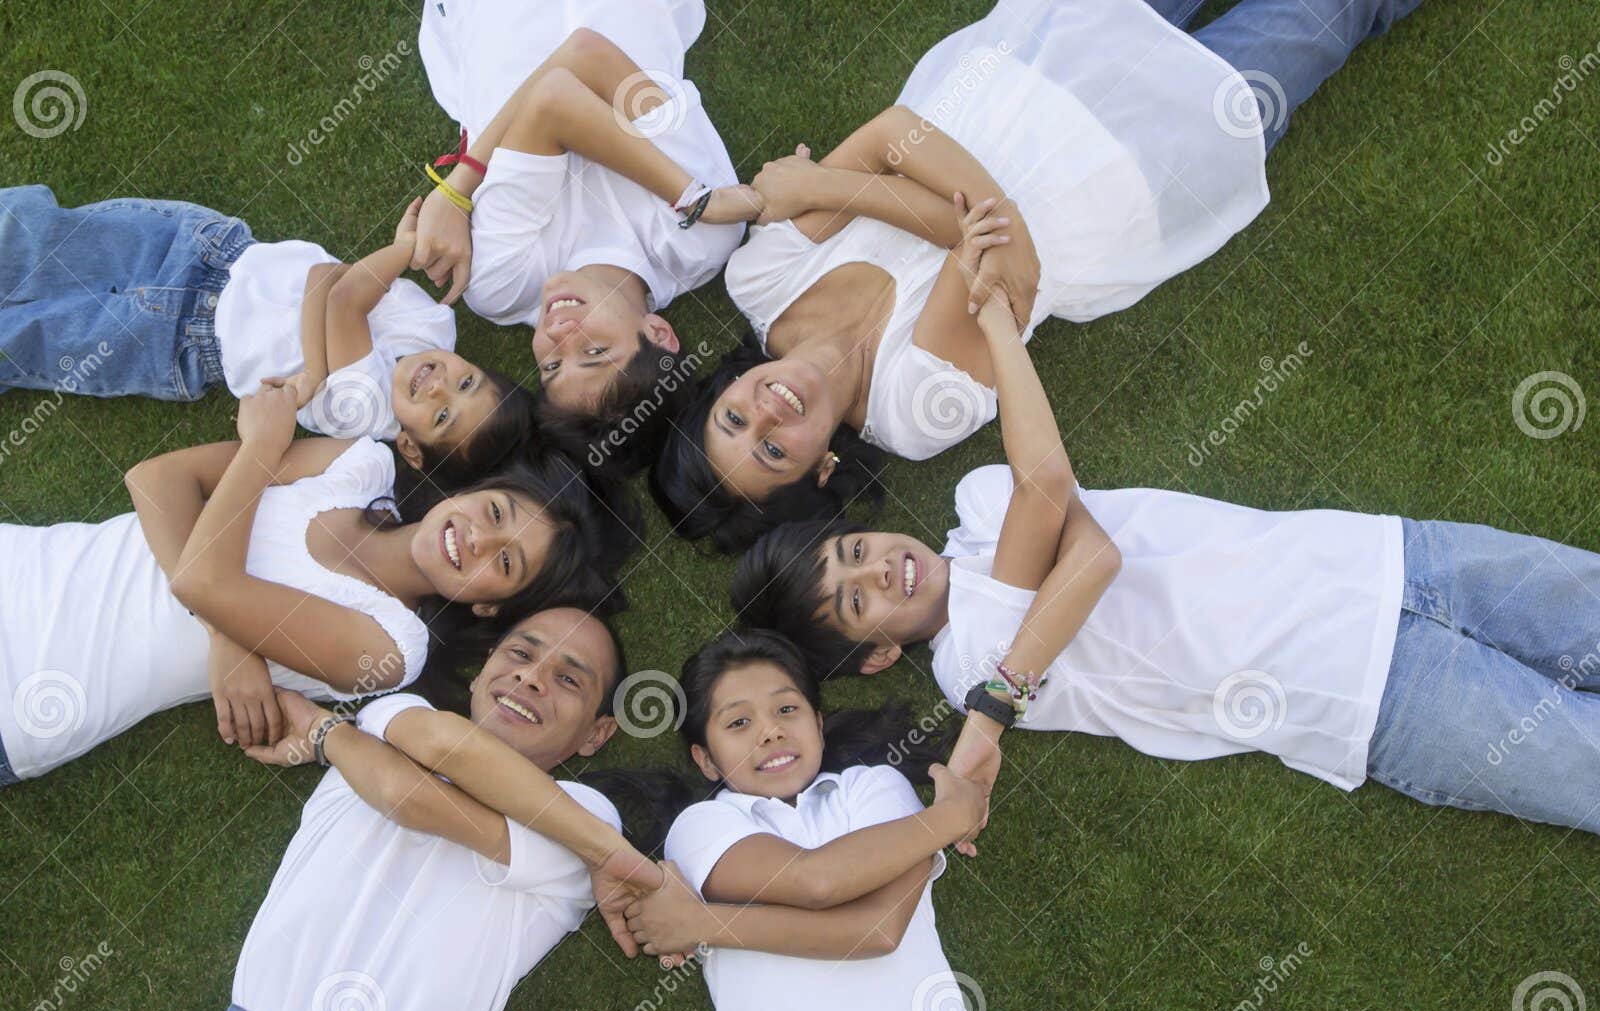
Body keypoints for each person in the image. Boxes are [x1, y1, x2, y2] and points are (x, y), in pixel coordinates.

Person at [734, 263, 1600, 843]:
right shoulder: (967, 665)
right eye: (857, 600)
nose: (877, 567)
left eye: (852, 549)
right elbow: (1073, 522)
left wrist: (1045, 604)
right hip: (1369, 697)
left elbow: (1082, 548)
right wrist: (997, 327)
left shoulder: (975, 505)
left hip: (1386, 557)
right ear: (881, 651)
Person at [652, 0, 1426, 550]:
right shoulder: (915, 414)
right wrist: (824, 187)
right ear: (822, 469)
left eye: (733, 421)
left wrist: (954, 208)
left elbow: (899, 134)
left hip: (1028, 71)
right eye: (775, 452)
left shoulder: (758, 282)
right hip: (1126, 172)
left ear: (719, 394)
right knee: (1335, 9)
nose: (769, 415)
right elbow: (988, 240)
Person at [0, 387, 620, 786]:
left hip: (30, 691)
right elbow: (157, 479)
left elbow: (202, 578)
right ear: (465, 492)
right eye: (494, 513)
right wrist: (229, 637)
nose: (480, 541)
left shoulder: (393, 647)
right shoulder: (359, 464)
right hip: (22, 561)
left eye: (505, 564)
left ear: (488, 604)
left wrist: (263, 446)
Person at [184, 606, 678, 1011]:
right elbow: (429, 760)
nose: (531, 677)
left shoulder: (588, 820)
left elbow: (408, 797)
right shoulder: (392, 719)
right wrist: (329, 733)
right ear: (483, 671)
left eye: (568, 679)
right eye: (521, 654)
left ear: (597, 734)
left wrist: (324, 731)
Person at [411, 0, 756, 473]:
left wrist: (456, 188)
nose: (558, 337)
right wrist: (696, 203)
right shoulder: (698, 243)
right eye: (594, 352)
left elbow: (558, 95)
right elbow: (586, 56)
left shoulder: (502, 286)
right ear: (659, 334)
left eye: (551, 366)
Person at [621, 629, 990, 1011]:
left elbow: (877, 930)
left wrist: (700, 923)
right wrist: (950, 817)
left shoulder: (875, 787)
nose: (771, 731)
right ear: (706, 760)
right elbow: (813, 881)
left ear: (817, 723)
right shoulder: (701, 826)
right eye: (739, 722)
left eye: (786, 709)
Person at [0, 188, 531, 487]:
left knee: (27, 338)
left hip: (174, 338)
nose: (440, 387)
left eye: (442, 417)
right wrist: (319, 359)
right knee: (31, 235)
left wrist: (404, 251)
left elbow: (344, 295)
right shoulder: (437, 326)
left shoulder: (364, 410)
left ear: (411, 447)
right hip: (210, 250)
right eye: (467, 382)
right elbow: (323, 280)